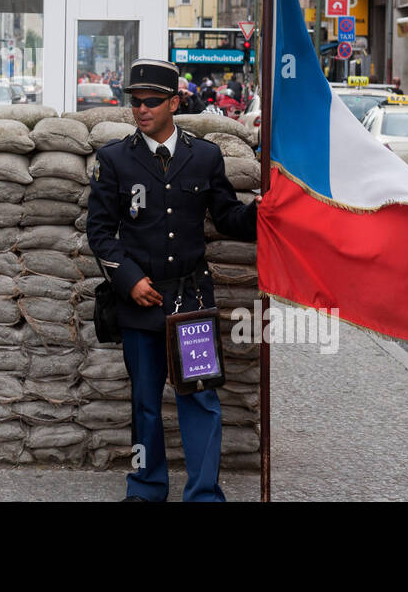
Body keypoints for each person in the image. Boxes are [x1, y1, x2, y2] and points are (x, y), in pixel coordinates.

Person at [87, 58, 258, 502]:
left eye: (151, 101)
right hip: (140, 302)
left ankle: (203, 494)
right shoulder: (114, 159)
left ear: (175, 102)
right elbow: (100, 232)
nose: (141, 109)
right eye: (135, 101)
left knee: (200, 400)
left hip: (190, 302)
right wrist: (128, 280)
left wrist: (267, 212)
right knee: (145, 404)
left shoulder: (204, 156)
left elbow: (227, 217)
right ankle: (145, 488)